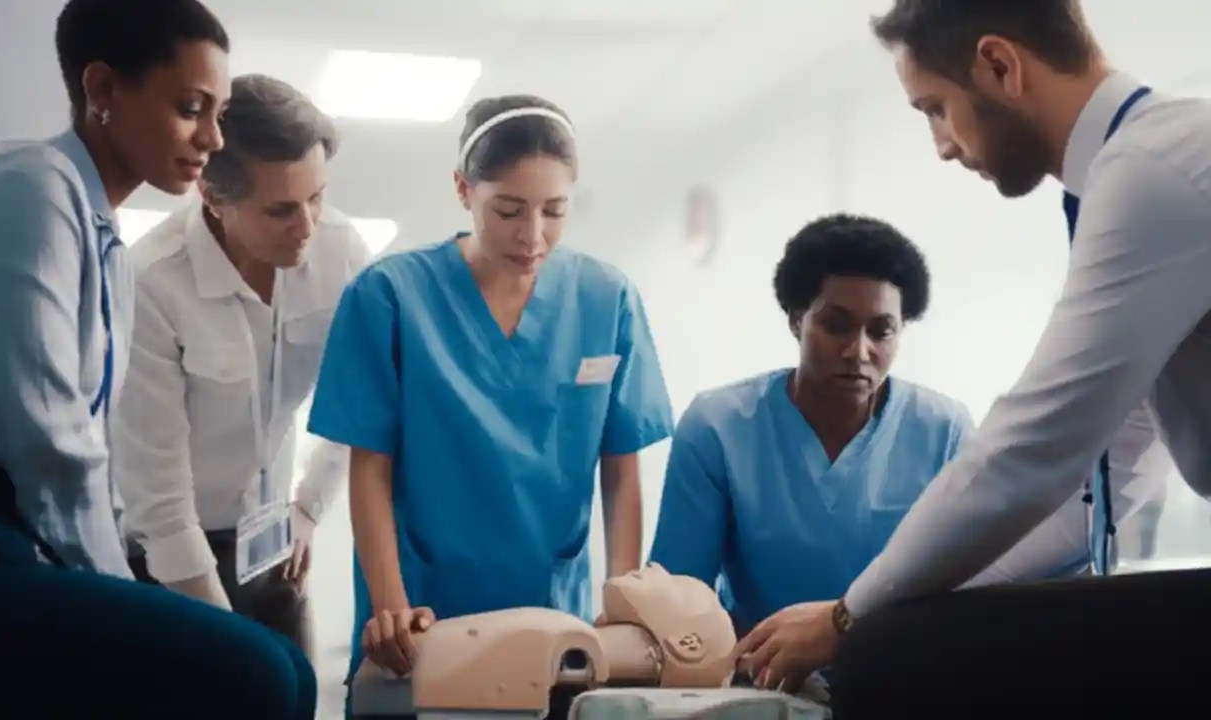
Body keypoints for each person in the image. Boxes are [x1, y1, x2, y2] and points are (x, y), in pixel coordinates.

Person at [732, 1, 1211, 717]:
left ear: (999, 65)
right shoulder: (1153, 164)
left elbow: (1028, 453)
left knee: (891, 654)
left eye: (936, 109)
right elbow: (1105, 476)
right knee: (900, 633)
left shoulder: (1152, 173)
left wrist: (849, 617)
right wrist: (877, 605)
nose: (942, 146)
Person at [0, 2, 315, 718]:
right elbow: (48, 441)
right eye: (191, 109)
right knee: (256, 673)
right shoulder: (25, 184)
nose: (213, 138)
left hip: (11, 535)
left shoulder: (107, 242)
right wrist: (114, 586)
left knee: (285, 666)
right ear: (103, 89)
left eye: (220, 114)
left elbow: (93, 454)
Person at [306, 94, 674, 707]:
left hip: (555, 618)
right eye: (508, 210)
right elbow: (370, 466)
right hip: (423, 613)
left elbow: (621, 468)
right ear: (463, 190)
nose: (533, 236)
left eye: (555, 211)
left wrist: (622, 604)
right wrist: (391, 604)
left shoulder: (606, 298)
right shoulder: (390, 295)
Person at [113, 73, 368, 656]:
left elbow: (360, 400)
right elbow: (161, 506)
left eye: (317, 197)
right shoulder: (152, 283)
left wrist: (309, 507)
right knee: (230, 680)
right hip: (166, 555)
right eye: (281, 210)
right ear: (211, 195)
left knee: (291, 689)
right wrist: (227, 643)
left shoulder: (340, 250)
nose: (307, 228)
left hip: (271, 539)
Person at [649, 213, 973, 638]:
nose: (859, 352)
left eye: (881, 332)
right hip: (753, 668)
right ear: (796, 319)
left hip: (900, 666)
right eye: (836, 326)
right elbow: (677, 602)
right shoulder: (718, 429)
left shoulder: (943, 433)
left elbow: (966, 588)